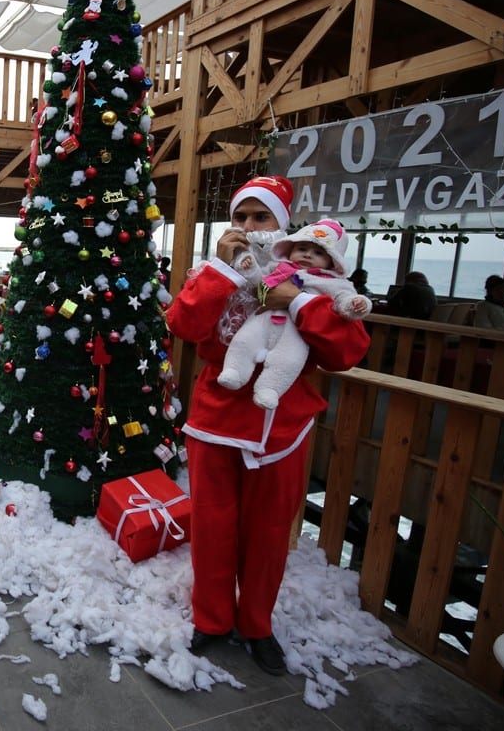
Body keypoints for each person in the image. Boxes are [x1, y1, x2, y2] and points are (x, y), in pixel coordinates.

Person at [166, 175, 369, 677]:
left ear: (282, 225)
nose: (249, 227)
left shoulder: (312, 278)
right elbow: (183, 325)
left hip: (282, 426)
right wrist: (221, 271)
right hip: (215, 417)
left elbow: (346, 351)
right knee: (213, 526)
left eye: (261, 217)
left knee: (268, 533)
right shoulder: (211, 272)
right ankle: (211, 619)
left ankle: (257, 626)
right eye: (240, 217)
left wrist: (295, 300)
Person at [218, 218, 371, 409]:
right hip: (262, 319)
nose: (307, 255)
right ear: (290, 249)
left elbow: (344, 298)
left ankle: (269, 389)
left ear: (332, 261)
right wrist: (250, 269)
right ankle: (234, 371)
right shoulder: (277, 268)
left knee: (289, 359)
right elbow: (259, 285)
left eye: (317, 252)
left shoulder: (332, 282)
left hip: (294, 332)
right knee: (244, 340)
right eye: (302, 249)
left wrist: (355, 304)